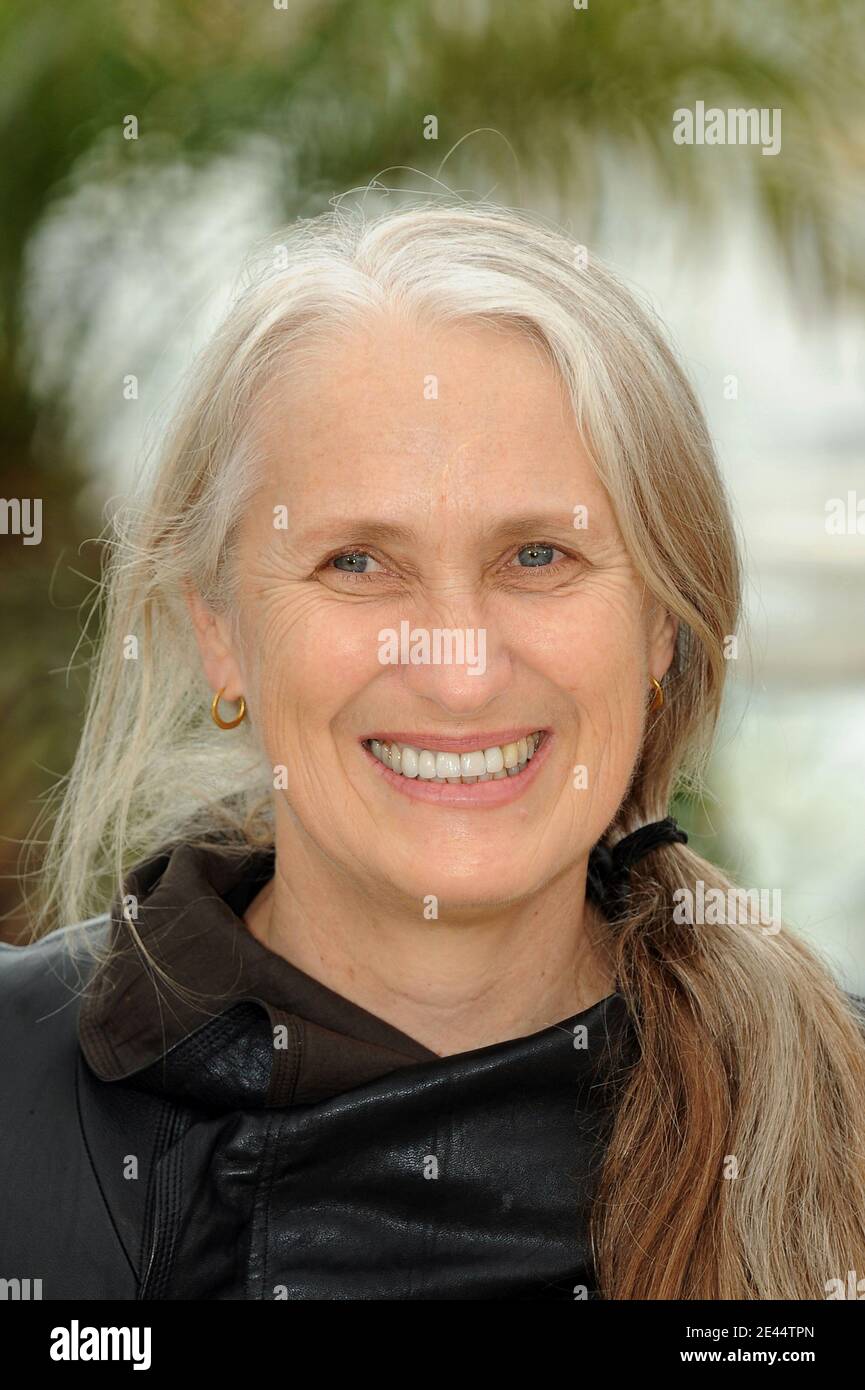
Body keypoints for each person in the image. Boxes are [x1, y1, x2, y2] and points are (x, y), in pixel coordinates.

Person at [2, 201, 863, 1300]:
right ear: (217, 632)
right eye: (358, 563)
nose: (456, 667)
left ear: (661, 622)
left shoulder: (839, 1113)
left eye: (538, 554)